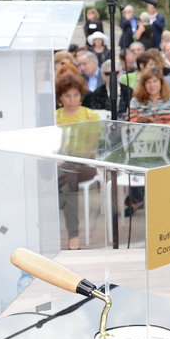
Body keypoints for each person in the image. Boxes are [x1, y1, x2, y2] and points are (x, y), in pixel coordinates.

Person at [55, 73, 100, 250]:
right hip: (60, 166)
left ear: (81, 95)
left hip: (86, 165)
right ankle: (73, 237)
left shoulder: (90, 116)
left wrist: (64, 159)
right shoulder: (54, 117)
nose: (72, 100)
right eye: (67, 95)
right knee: (67, 178)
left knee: (66, 176)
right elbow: (50, 145)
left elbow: (90, 148)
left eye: (75, 95)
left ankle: (72, 234)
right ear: (60, 97)